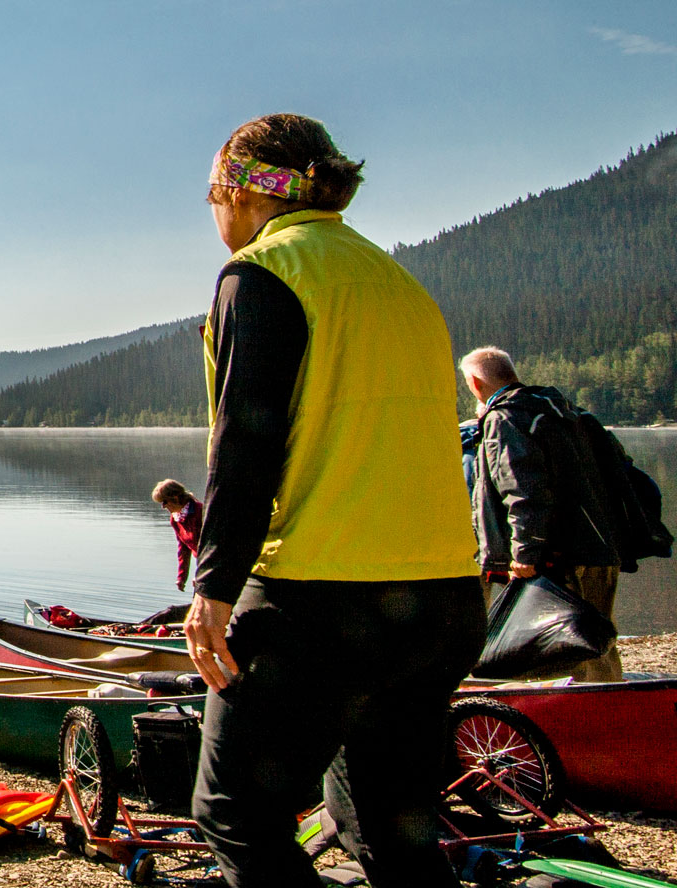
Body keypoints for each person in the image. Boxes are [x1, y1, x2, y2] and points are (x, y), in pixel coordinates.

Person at [184, 114, 484, 888]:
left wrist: (214, 589)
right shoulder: (395, 281)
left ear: (240, 191)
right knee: (387, 821)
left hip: (322, 600)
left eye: (210, 193)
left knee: (235, 815)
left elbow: (247, 447)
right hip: (443, 599)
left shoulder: (263, 274)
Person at [460, 346, 625, 682]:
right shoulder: (563, 411)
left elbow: (523, 490)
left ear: (476, 384)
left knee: (564, 648)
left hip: (559, 556)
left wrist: (525, 552)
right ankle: (615, 718)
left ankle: (573, 724)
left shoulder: (504, 417)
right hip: (601, 549)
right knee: (597, 644)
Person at [152, 479, 204, 592]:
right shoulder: (176, 519)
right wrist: (181, 577)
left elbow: (210, 547)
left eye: (164, 502)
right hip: (203, 565)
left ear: (175, 498)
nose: (163, 507)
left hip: (217, 565)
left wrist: (202, 575)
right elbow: (183, 548)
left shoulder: (201, 512)